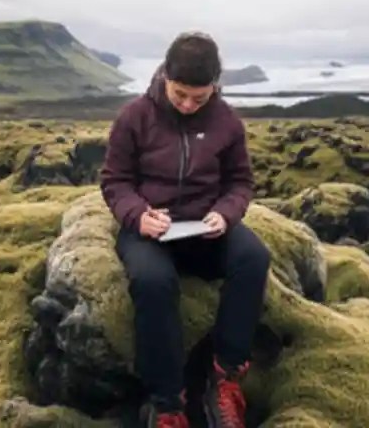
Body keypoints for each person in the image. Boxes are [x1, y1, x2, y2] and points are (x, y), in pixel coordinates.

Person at [100, 31, 271, 428]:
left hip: (205, 227)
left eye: (200, 96)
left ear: (214, 84)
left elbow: (240, 183)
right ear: (165, 78)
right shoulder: (134, 117)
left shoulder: (227, 122)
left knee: (253, 258)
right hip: (148, 230)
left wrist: (225, 214)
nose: (190, 105)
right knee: (153, 282)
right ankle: (167, 403)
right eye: (180, 95)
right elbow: (115, 181)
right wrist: (138, 214)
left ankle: (225, 376)